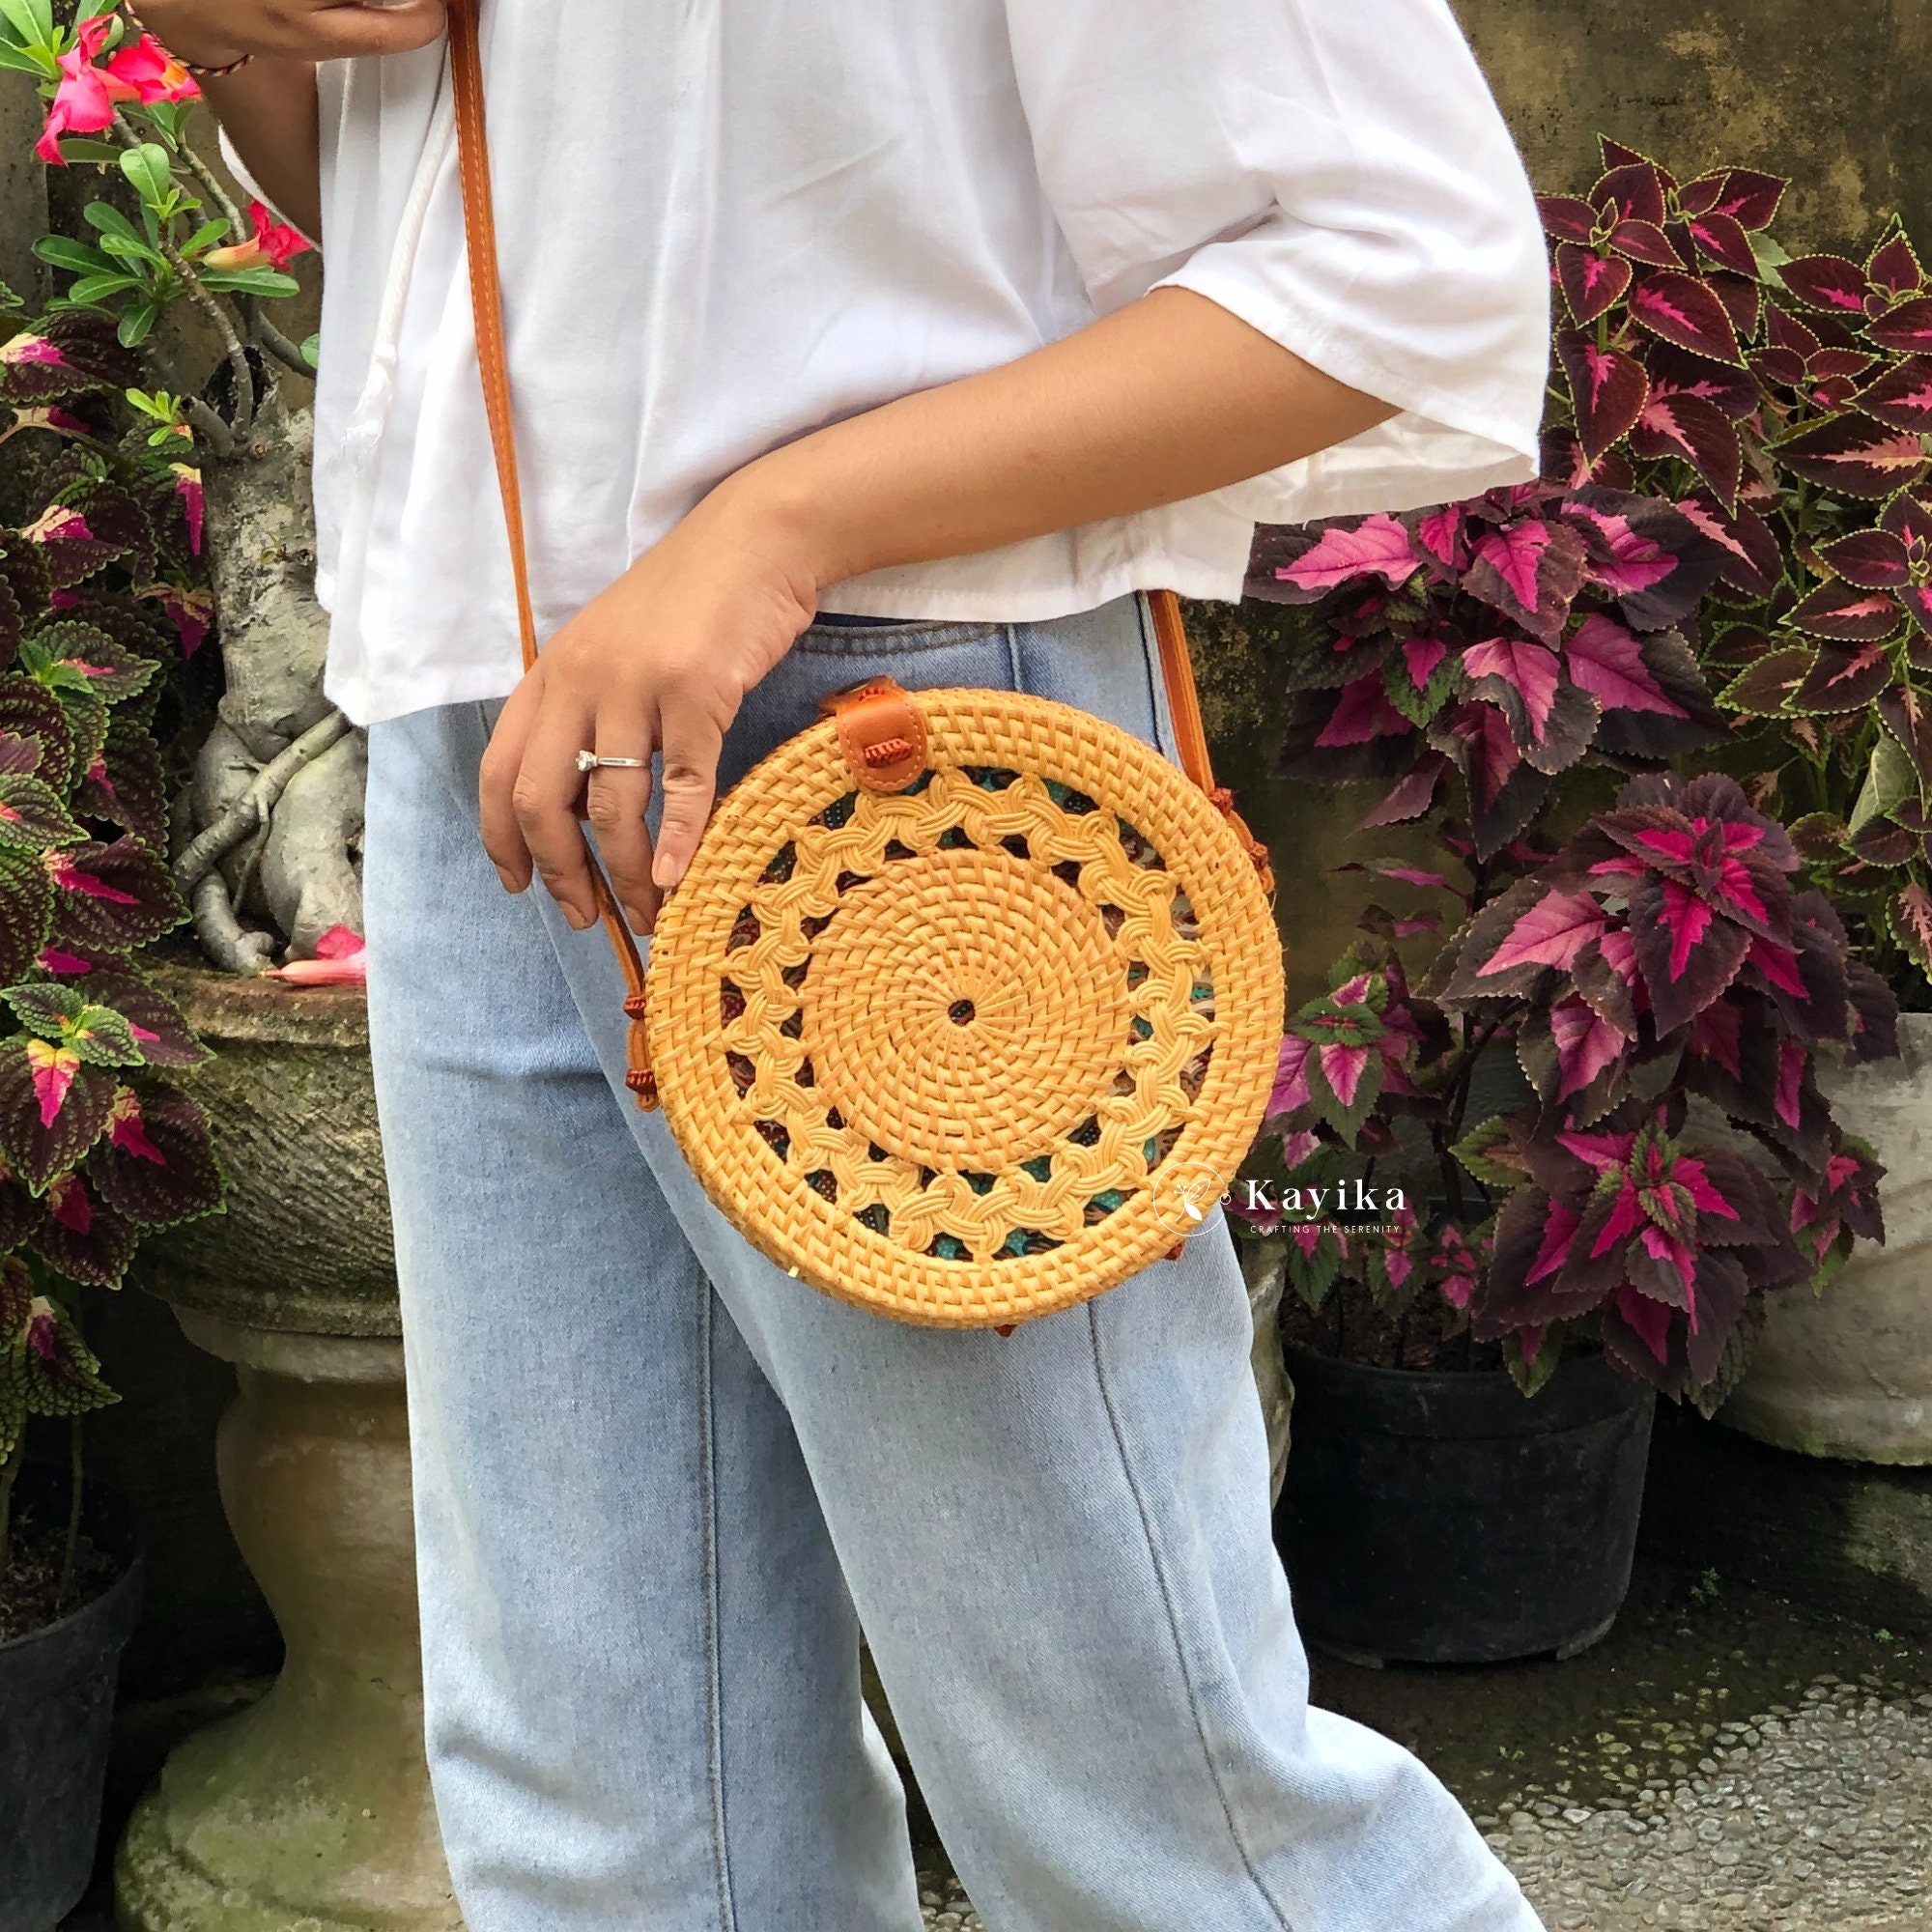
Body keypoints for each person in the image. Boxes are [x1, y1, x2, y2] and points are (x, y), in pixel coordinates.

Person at [155, 0, 1554, 1924]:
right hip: (485, 722)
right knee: (606, 1801)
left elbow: (1400, 262)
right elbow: (456, 211)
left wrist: (778, 524)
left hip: (896, 751)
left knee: (1146, 1804)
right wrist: (224, 29)